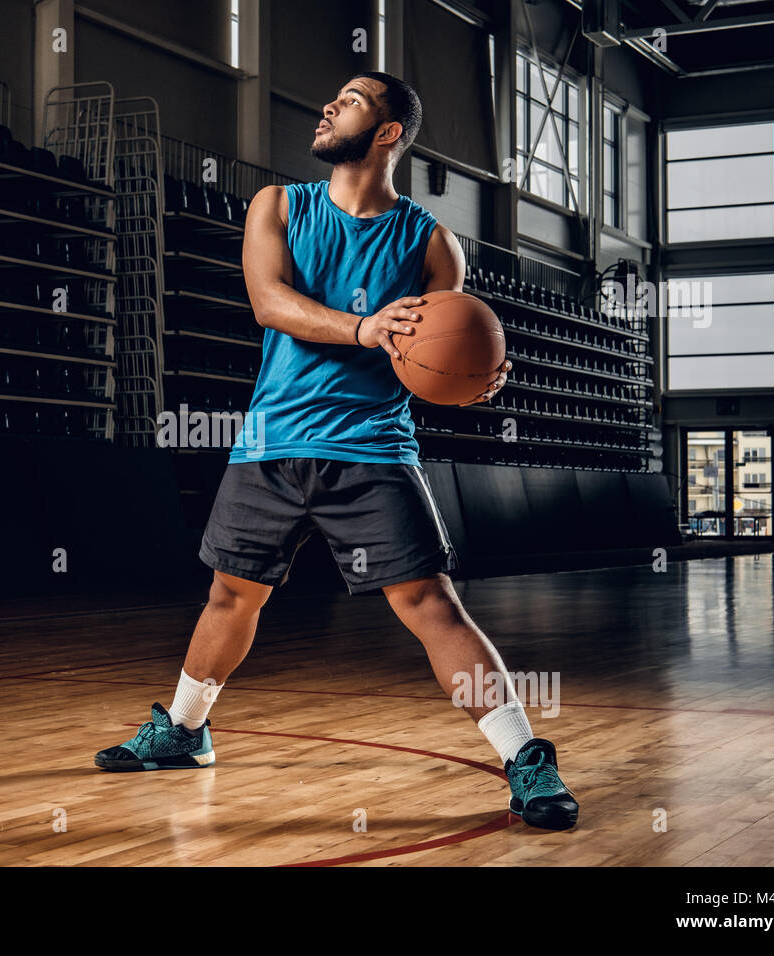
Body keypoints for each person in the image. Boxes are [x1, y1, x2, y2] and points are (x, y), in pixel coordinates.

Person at [94, 72, 577, 831]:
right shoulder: (278, 206)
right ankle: (185, 734)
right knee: (231, 596)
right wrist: (364, 327)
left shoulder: (430, 241)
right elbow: (268, 302)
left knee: (429, 603)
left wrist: (472, 379)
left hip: (373, 448)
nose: (328, 105)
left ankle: (524, 758)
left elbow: (435, 357)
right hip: (269, 442)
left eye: (351, 100)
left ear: (388, 133)